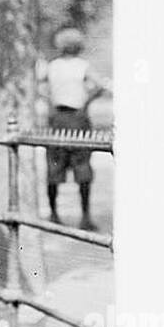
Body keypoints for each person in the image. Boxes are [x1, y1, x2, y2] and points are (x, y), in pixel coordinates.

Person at [42, 28, 108, 230]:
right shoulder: (83, 66)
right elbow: (100, 86)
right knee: (82, 165)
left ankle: (54, 214)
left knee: (55, 164)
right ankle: (85, 216)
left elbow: (40, 86)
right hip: (77, 117)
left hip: (59, 117)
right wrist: (86, 102)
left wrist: (50, 101)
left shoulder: (53, 66)